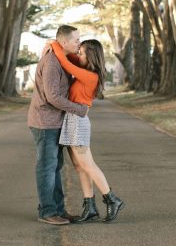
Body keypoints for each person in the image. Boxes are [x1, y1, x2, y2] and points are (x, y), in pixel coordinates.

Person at [49, 38, 125, 223]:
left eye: (82, 53)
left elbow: (66, 62)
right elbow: (71, 58)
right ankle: (90, 207)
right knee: (79, 166)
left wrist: (54, 44)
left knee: (88, 165)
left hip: (78, 122)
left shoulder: (90, 76)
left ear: (90, 56)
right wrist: (61, 46)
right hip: (71, 119)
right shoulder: (86, 70)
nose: (79, 55)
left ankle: (112, 199)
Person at [27, 25, 89, 226]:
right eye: (76, 40)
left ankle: (58, 210)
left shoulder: (63, 58)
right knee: (47, 167)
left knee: (55, 166)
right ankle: (47, 211)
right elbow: (53, 97)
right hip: (45, 122)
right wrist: (78, 109)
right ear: (63, 42)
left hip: (55, 121)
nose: (79, 43)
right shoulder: (52, 63)